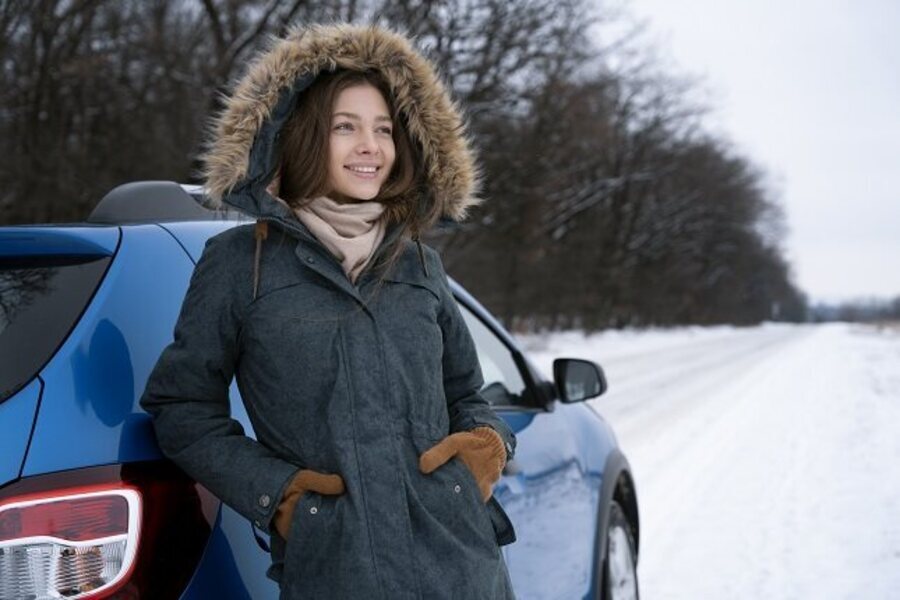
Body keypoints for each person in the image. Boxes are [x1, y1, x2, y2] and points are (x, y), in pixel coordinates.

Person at [140, 23, 518, 599]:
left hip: (463, 568)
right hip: (336, 573)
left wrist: (487, 446)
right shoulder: (241, 264)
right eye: (346, 127)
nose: (371, 146)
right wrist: (280, 494)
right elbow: (181, 407)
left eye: (384, 129)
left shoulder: (419, 263)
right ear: (301, 137)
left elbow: (468, 392)